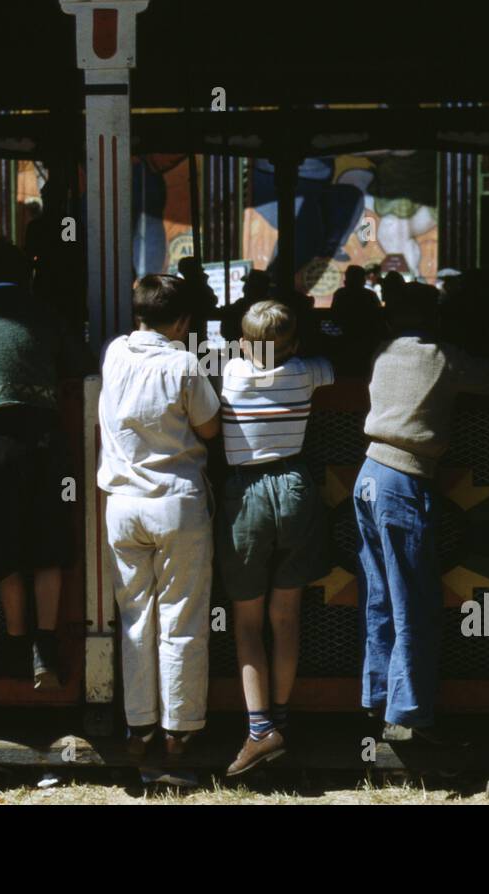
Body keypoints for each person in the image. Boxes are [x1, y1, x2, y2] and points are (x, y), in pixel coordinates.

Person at [352, 283, 489, 743]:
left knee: (378, 598)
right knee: (413, 601)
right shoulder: (442, 357)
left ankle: (376, 698)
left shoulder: (382, 350)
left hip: (367, 476)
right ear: (435, 320)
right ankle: (406, 715)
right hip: (404, 480)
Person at [0, 238, 90, 690]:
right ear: (26, 273)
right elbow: (80, 362)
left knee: (2, 542)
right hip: (47, 436)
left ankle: (14, 644)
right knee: (49, 538)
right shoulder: (44, 309)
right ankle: (45, 648)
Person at [97, 274, 221, 762]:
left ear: (137, 315)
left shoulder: (114, 354)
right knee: (182, 618)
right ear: (185, 321)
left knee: (135, 619)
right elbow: (208, 427)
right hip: (177, 503)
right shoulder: (184, 363)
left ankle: (139, 729)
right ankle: (180, 731)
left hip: (123, 506)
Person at [216, 300, 334, 775]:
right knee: (286, 617)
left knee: (246, 622)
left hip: (246, 494)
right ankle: (280, 721)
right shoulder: (307, 370)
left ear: (243, 344)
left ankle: (261, 730)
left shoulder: (231, 374)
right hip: (297, 488)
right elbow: (334, 363)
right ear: (295, 344)